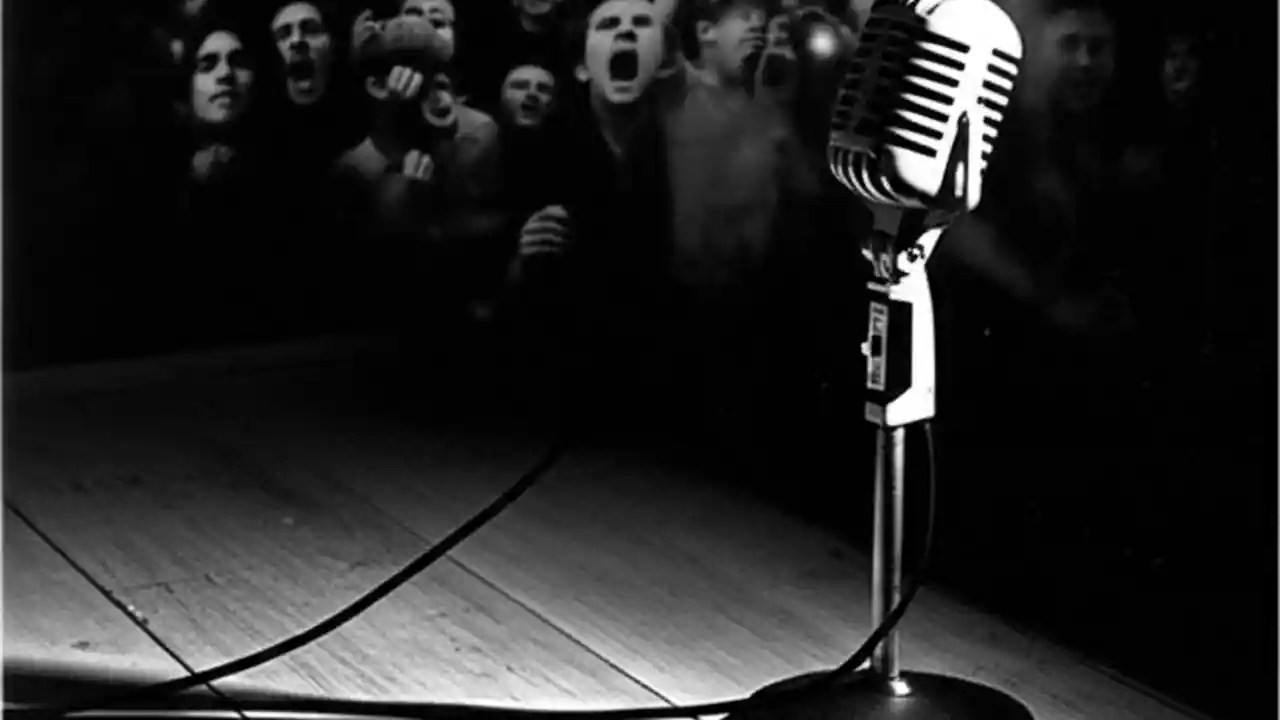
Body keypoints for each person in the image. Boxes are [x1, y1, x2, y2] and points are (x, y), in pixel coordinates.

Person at [335, 10, 507, 341]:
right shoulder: (357, 166)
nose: (434, 89)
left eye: (439, 75)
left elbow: (490, 229)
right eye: (415, 74)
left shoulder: (479, 132)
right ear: (377, 86)